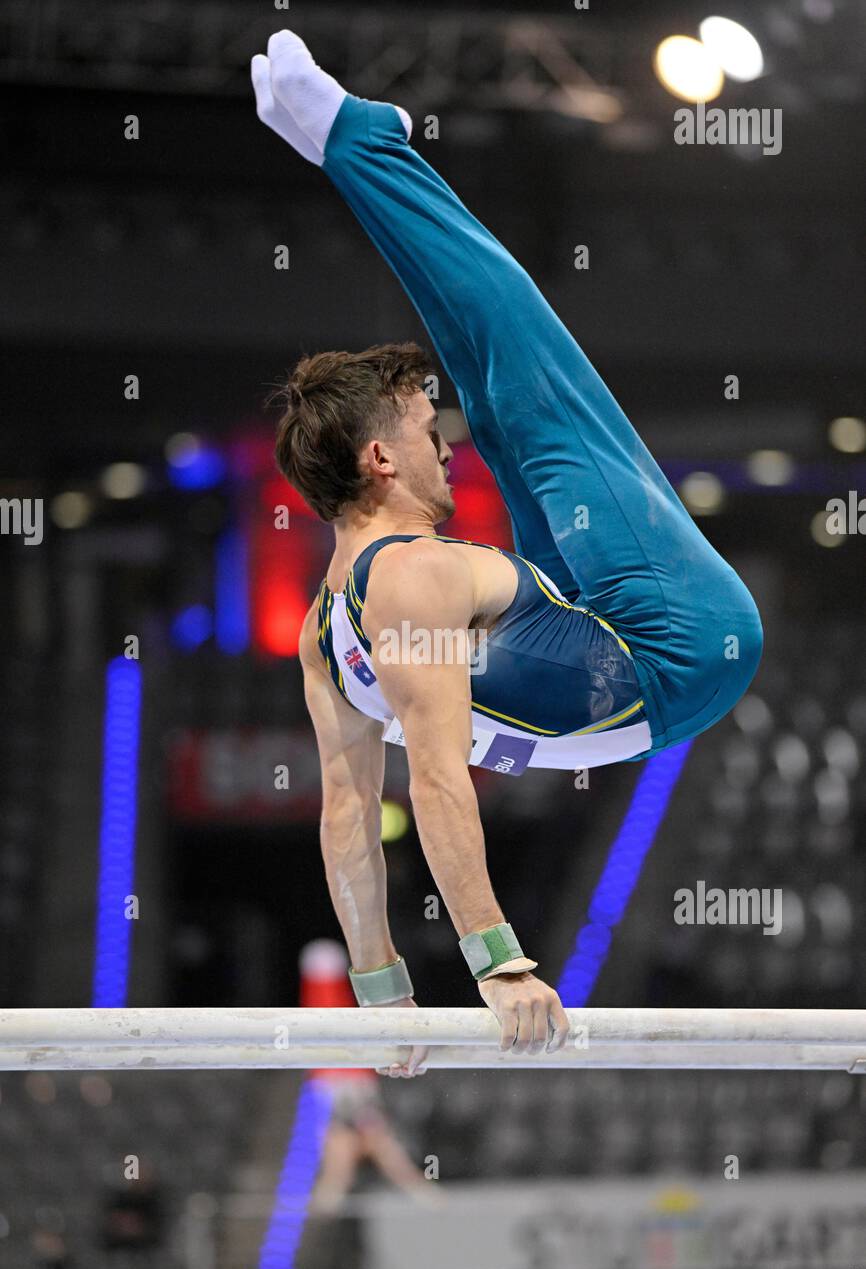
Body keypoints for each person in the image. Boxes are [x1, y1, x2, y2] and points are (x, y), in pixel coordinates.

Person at [251, 31, 763, 1076]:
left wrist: (381, 993)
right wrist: (497, 962)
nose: (445, 453)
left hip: (604, 655)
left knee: (496, 394)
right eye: (423, 437)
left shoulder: (324, 626)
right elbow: (435, 780)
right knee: (523, 369)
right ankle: (362, 143)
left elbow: (351, 811)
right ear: (381, 460)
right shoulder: (413, 579)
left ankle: (362, 154)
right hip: (675, 639)